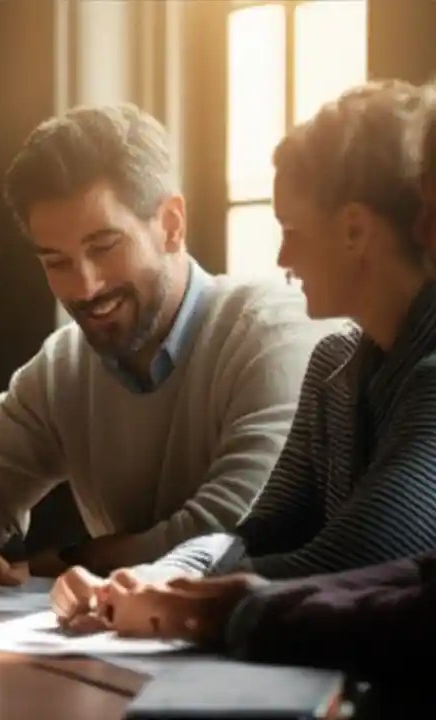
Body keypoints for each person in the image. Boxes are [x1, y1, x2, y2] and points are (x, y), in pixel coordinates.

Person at [69, 82, 436, 677]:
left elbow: (359, 556)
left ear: (354, 230)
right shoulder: (335, 364)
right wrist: (165, 575)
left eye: (292, 229)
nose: (282, 258)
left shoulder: (430, 377)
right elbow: (258, 532)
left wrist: (184, 603)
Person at [0, 103, 334, 597]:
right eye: (57, 261)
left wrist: (62, 562)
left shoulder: (274, 333)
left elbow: (230, 532)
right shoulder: (63, 367)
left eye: (105, 246)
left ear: (172, 224)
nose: (85, 286)